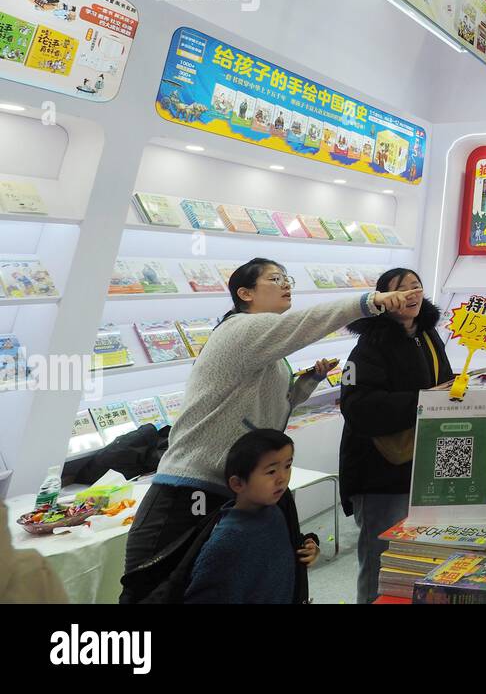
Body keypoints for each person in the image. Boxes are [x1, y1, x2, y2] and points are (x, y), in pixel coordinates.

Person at [119, 258, 413, 603]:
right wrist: (366, 302)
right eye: (275, 279)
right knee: (157, 589)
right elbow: (305, 324)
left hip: (237, 486)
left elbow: (270, 411)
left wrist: (307, 383)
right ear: (245, 293)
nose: (286, 284)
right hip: (190, 488)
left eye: (287, 277)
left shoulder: (266, 347)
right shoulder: (239, 329)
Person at [339, 268, 452, 605]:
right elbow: (356, 405)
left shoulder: (428, 334)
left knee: (416, 555)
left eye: (417, 286)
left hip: (420, 461)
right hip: (380, 470)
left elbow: (440, 383)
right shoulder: (369, 344)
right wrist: (425, 398)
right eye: (401, 289)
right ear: (384, 300)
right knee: (382, 558)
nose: (412, 293)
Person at [185, 429, 319, 604]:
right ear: (238, 483)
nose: (282, 478)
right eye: (271, 471)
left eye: (287, 466)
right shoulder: (226, 543)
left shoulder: (275, 511)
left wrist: (308, 548)